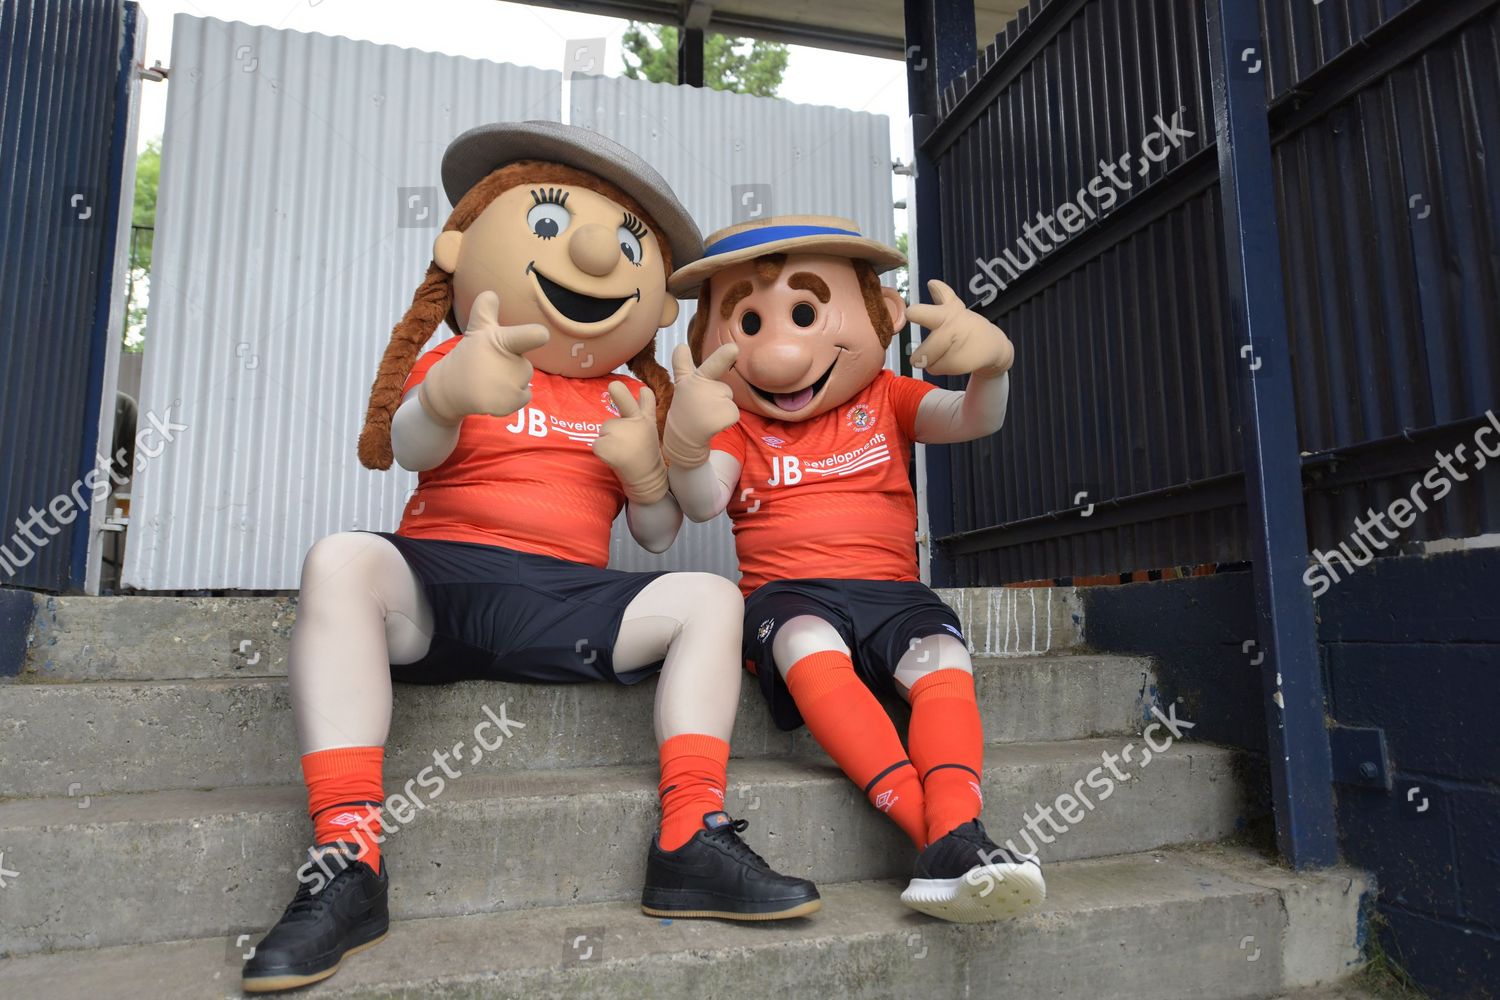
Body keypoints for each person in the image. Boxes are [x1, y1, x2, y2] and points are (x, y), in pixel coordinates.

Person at [242, 125, 819, 994]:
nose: (594, 254)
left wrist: (647, 472)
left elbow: (657, 535)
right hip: (443, 582)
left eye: (627, 246)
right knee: (339, 560)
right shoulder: (465, 350)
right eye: (549, 226)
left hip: (567, 601)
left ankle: (690, 837)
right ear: (460, 253)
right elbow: (408, 447)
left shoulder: (630, 391)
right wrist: (445, 395)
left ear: (659, 307)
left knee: (709, 595)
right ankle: (348, 857)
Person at [662, 214, 1042, 923]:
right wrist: (684, 445)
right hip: (789, 596)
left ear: (885, 315)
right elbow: (704, 499)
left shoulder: (887, 396)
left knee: (944, 661)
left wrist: (993, 367)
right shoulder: (736, 424)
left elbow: (973, 418)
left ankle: (954, 830)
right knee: (808, 645)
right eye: (748, 324)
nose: (780, 354)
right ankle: (944, 839)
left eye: (806, 314)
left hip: (895, 591)